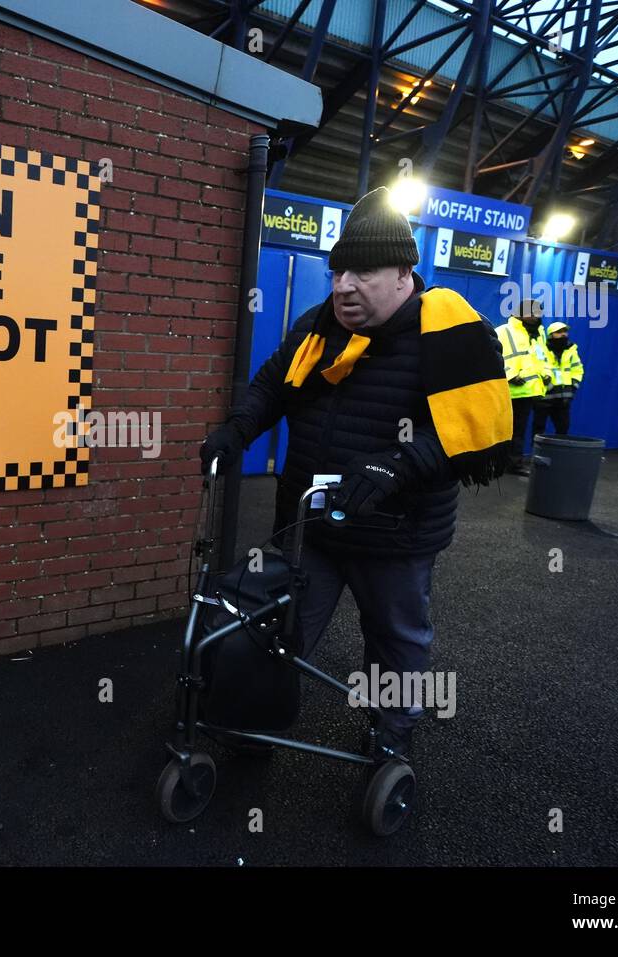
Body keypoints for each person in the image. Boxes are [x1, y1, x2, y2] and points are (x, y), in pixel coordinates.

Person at [199, 187, 512, 764]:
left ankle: (392, 735)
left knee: (395, 643)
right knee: (278, 630)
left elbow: (472, 431)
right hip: (312, 525)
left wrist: (395, 466)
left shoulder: (451, 333)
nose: (343, 285)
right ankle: (255, 718)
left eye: (361, 272)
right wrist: (237, 431)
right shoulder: (319, 327)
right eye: (337, 270)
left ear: (403, 272)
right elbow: (271, 387)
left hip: (396, 533)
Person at [494, 299, 551, 474]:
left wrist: (547, 373)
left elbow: (543, 356)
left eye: (538, 312)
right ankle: (503, 464)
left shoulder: (539, 333)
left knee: (523, 430)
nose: (536, 316)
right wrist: (510, 375)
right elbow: (493, 356)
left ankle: (515, 462)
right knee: (505, 430)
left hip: (532, 390)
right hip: (510, 390)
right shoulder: (504, 331)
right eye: (532, 312)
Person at [534, 320, 584, 436]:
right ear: (551, 335)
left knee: (563, 429)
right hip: (543, 398)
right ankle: (536, 453)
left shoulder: (571, 350)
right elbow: (536, 367)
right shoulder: (541, 350)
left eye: (565, 332)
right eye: (559, 332)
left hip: (564, 399)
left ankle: (559, 454)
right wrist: (547, 385)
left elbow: (578, 370)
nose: (563, 334)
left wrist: (573, 387)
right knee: (538, 429)